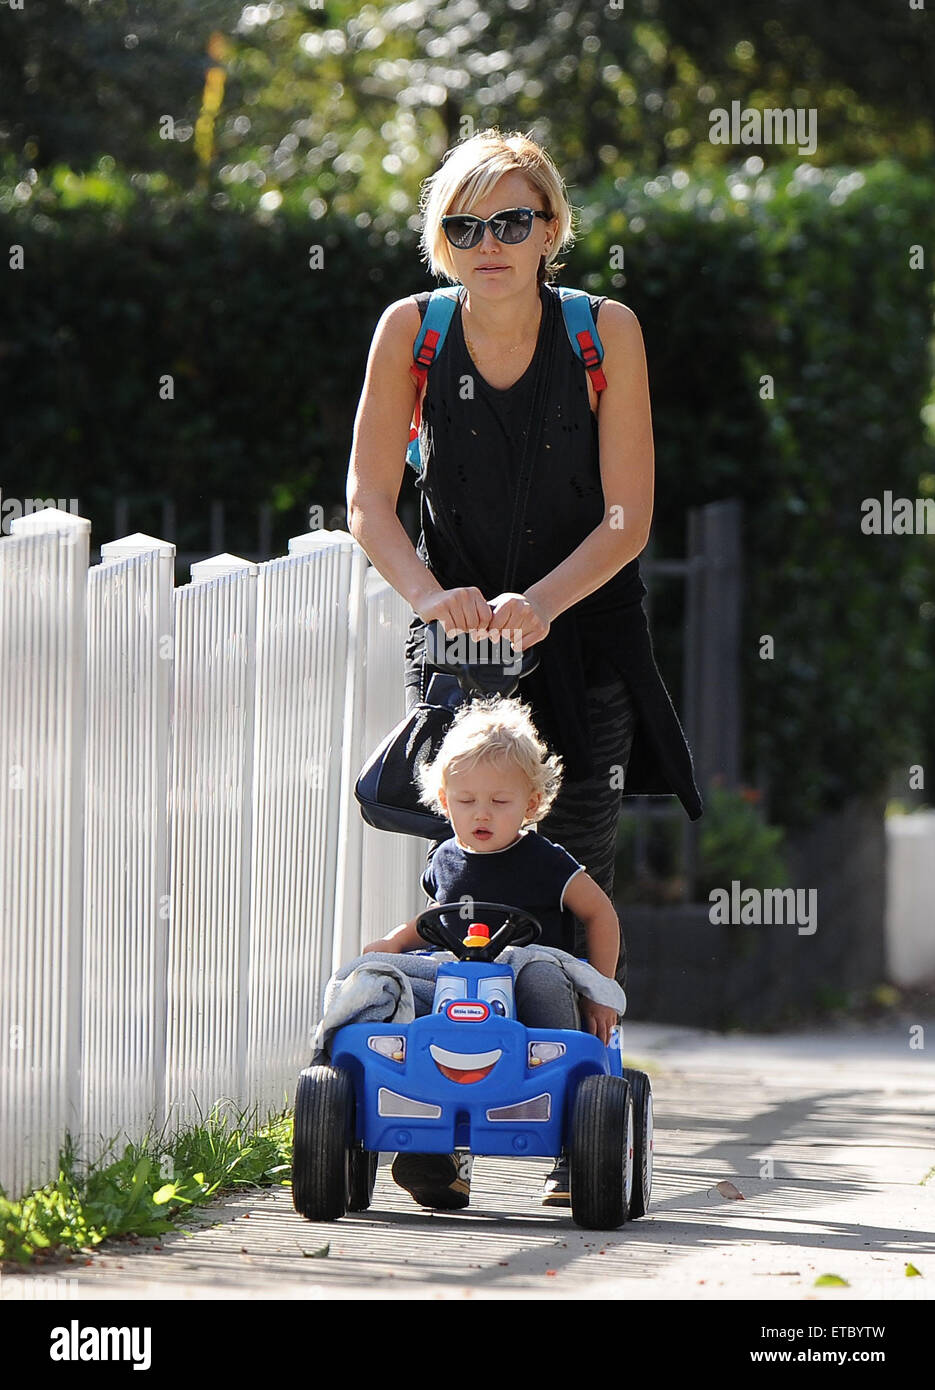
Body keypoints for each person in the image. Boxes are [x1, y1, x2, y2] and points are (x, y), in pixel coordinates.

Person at [345, 126, 702, 1204]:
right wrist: (433, 599)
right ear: (440, 240)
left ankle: (568, 1129)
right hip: (458, 652)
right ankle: (438, 1126)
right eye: (465, 225)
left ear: (550, 229)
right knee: (465, 878)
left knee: (561, 883)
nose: (489, 242)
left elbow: (626, 515)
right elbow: (367, 503)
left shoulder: (604, 334)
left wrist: (538, 605)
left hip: (583, 640)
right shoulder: (411, 333)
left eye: (511, 220)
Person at [362, 693, 624, 1210]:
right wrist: (396, 944)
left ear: (529, 804)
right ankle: (435, 1144)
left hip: (527, 972)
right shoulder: (445, 858)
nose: (481, 813)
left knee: (545, 980)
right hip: (459, 980)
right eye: (466, 801)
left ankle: (574, 1119)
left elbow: (601, 914)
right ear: (443, 798)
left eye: (499, 802)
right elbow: (433, 920)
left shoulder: (545, 860)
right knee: (396, 986)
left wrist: (600, 989)